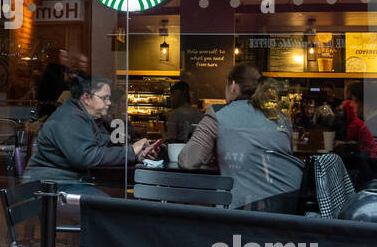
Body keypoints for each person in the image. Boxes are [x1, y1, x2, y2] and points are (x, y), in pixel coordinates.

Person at [178, 64, 302, 209]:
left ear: (233, 86)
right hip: (287, 209)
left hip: (242, 214)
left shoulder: (218, 114)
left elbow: (188, 161)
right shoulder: (279, 117)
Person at [25, 74, 157, 185]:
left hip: (68, 182)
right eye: (105, 98)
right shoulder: (69, 119)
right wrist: (131, 151)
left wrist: (136, 153)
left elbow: (101, 146)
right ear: (86, 98)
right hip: (50, 187)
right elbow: (87, 157)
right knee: (115, 206)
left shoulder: (87, 117)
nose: (109, 103)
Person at [343, 82, 377, 158]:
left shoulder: (371, 125)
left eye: (353, 100)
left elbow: (375, 157)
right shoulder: (371, 122)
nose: (351, 104)